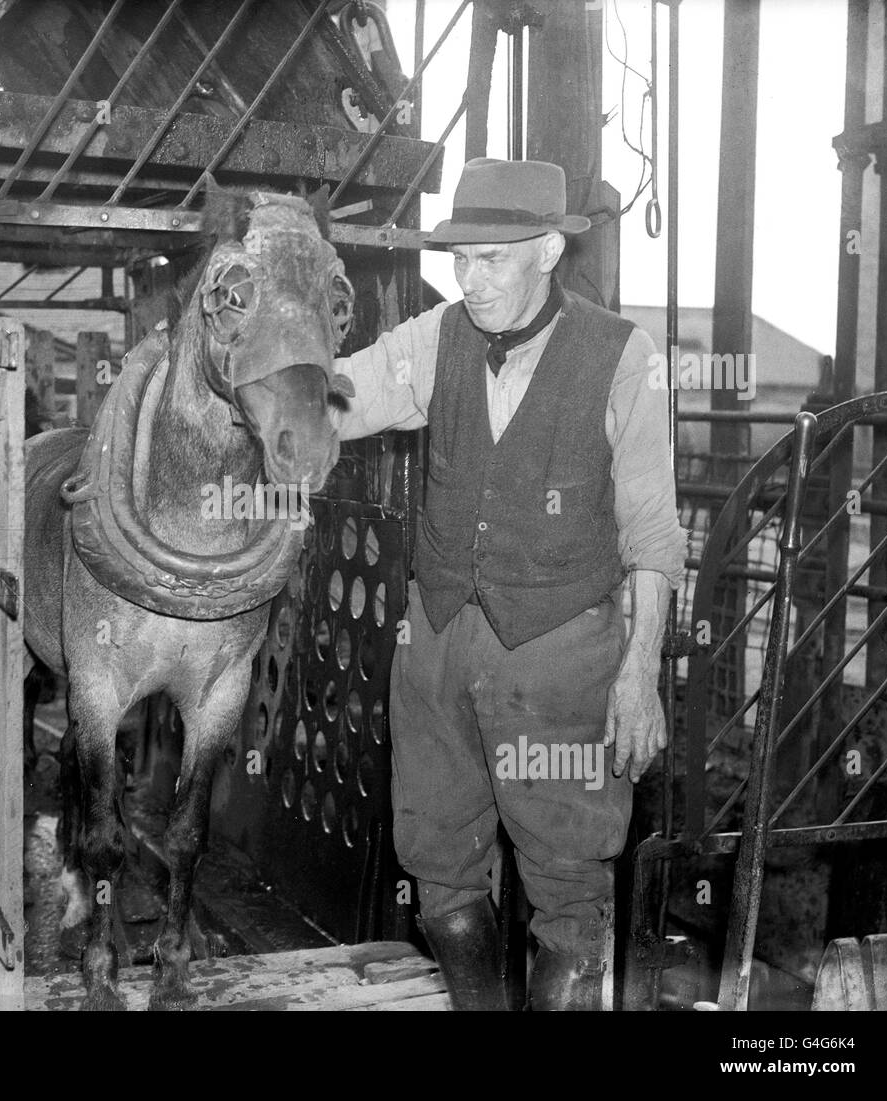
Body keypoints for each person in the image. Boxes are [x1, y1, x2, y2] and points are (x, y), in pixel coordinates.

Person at [333, 157, 687, 1010]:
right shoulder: (436, 338)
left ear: (546, 253)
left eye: (490, 260)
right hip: (439, 645)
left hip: (562, 660)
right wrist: (263, 385)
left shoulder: (621, 355)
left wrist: (639, 677)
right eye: (460, 259)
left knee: (568, 881)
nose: (469, 279)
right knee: (437, 860)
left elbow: (653, 532)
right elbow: (343, 397)